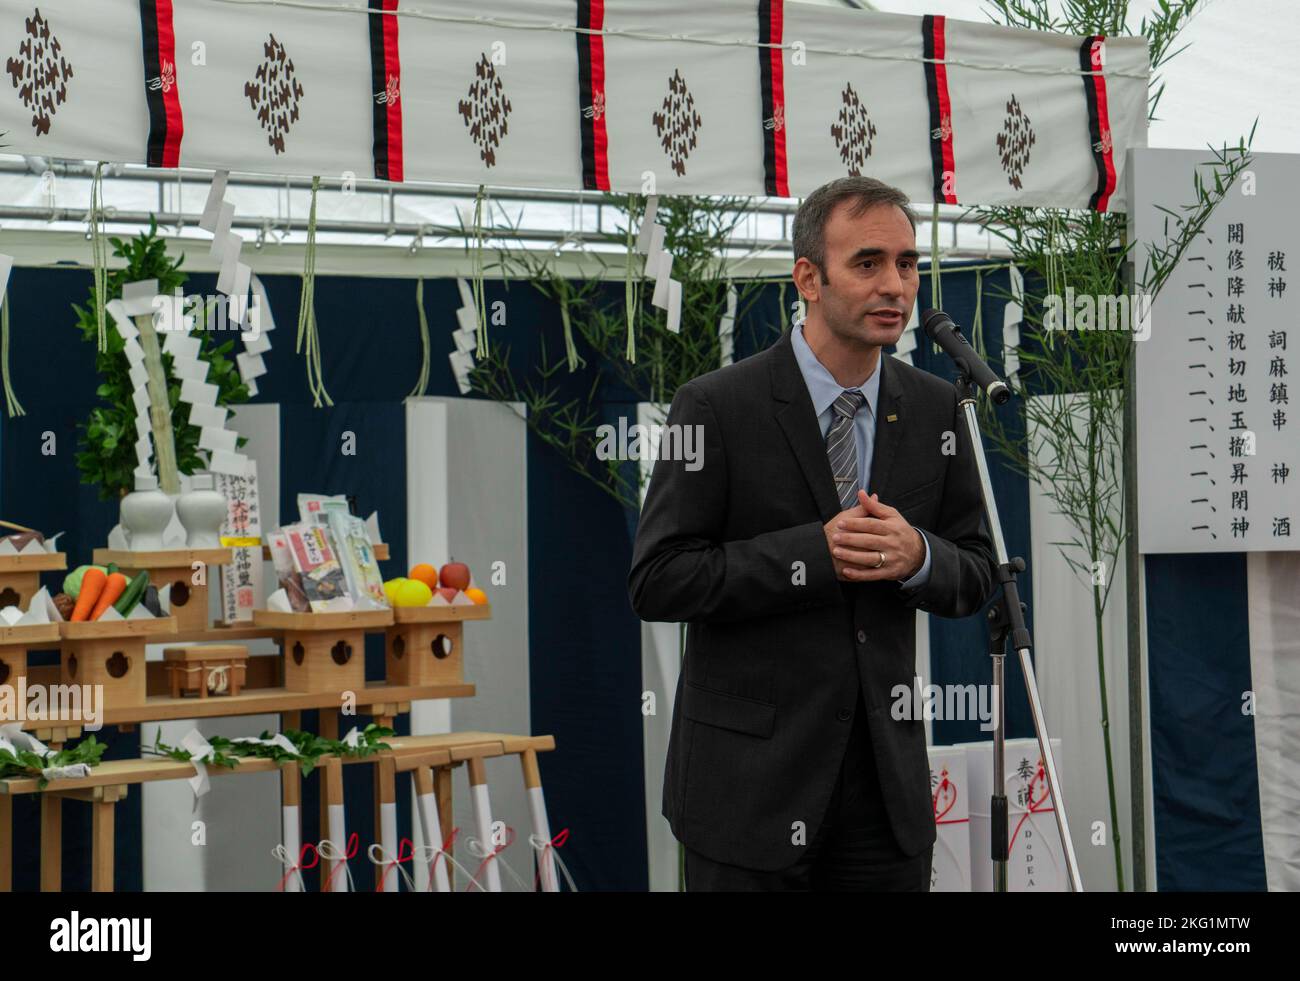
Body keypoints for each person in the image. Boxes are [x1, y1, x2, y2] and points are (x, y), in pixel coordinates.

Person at [627, 176, 997, 891]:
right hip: (746, 796)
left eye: (908, 263)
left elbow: (979, 569)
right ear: (809, 278)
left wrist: (919, 556)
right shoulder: (713, 405)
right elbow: (658, 577)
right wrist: (810, 555)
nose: (895, 284)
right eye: (868, 263)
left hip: (883, 801)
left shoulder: (937, 410)